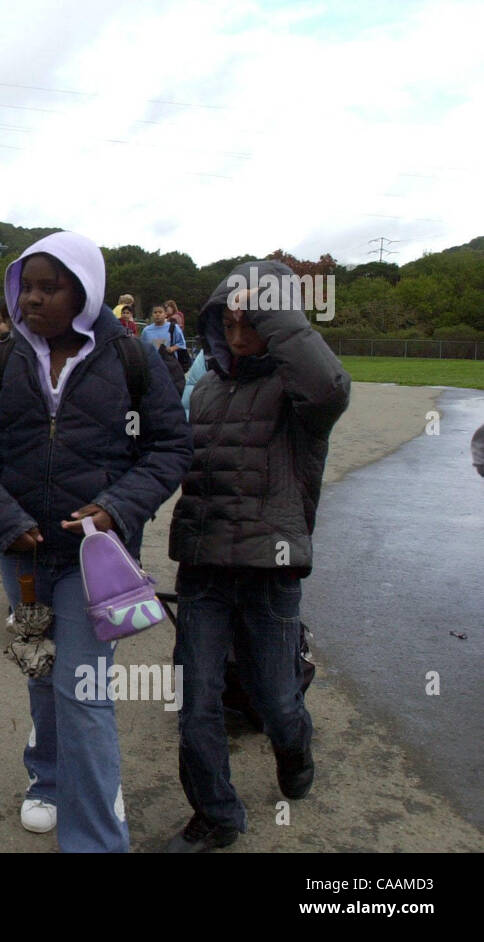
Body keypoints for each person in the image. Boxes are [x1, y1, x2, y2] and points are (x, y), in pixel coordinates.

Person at [0, 232, 192, 852]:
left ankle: (98, 840)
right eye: (26, 286)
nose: (31, 299)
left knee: (83, 691)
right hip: (21, 557)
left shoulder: (134, 358)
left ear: (85, 291)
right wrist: (2, 520)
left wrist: (115, 507)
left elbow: (170, 447)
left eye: (48, 288)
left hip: (94, 559)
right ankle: (48, 780)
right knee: (41, 669)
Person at [165, 260, 351, 852]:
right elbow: (179, 465)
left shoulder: (302, 397)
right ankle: (215, 813)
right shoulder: (208, 388)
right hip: (202, 569)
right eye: (230, 324)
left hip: (270, 574)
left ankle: (295, 746)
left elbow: (328, 386)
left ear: (280, 321)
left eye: (253, 324)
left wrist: (271, 307)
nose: (240, 337)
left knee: (275, 700)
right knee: (197, 705)